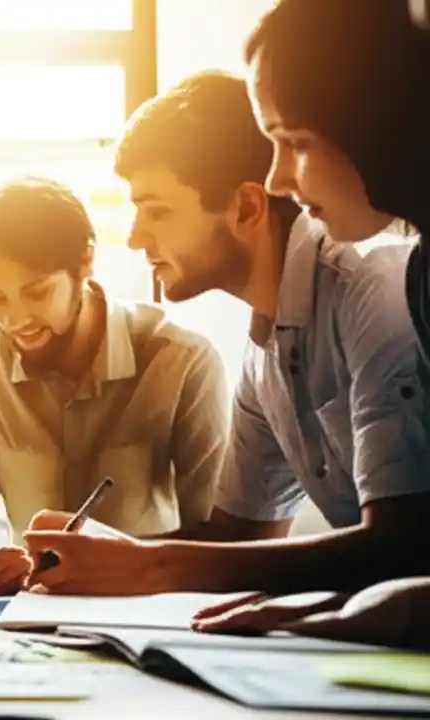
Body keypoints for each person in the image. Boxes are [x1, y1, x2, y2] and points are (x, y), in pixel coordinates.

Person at [21, 70, 430, 598]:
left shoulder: (371, 293)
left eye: (157, 211)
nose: (135, 236)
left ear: (246, 207)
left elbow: (405, 545)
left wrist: (151, 567)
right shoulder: (265, 354)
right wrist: (85, 557)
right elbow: (236, 537)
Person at [181, 0, 430, 645]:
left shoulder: (378, 288)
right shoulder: (420, 274)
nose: (277, 179)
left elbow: (404, 538)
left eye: (295, 142)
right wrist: (340, 610)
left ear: (373, 120)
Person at [0, 177, 229, 605]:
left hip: (148, 612)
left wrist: (108, 563)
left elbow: (219, 538)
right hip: (26, 618)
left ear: (85, 261)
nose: (17, 320)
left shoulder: (180, 360)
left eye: (37, 292)